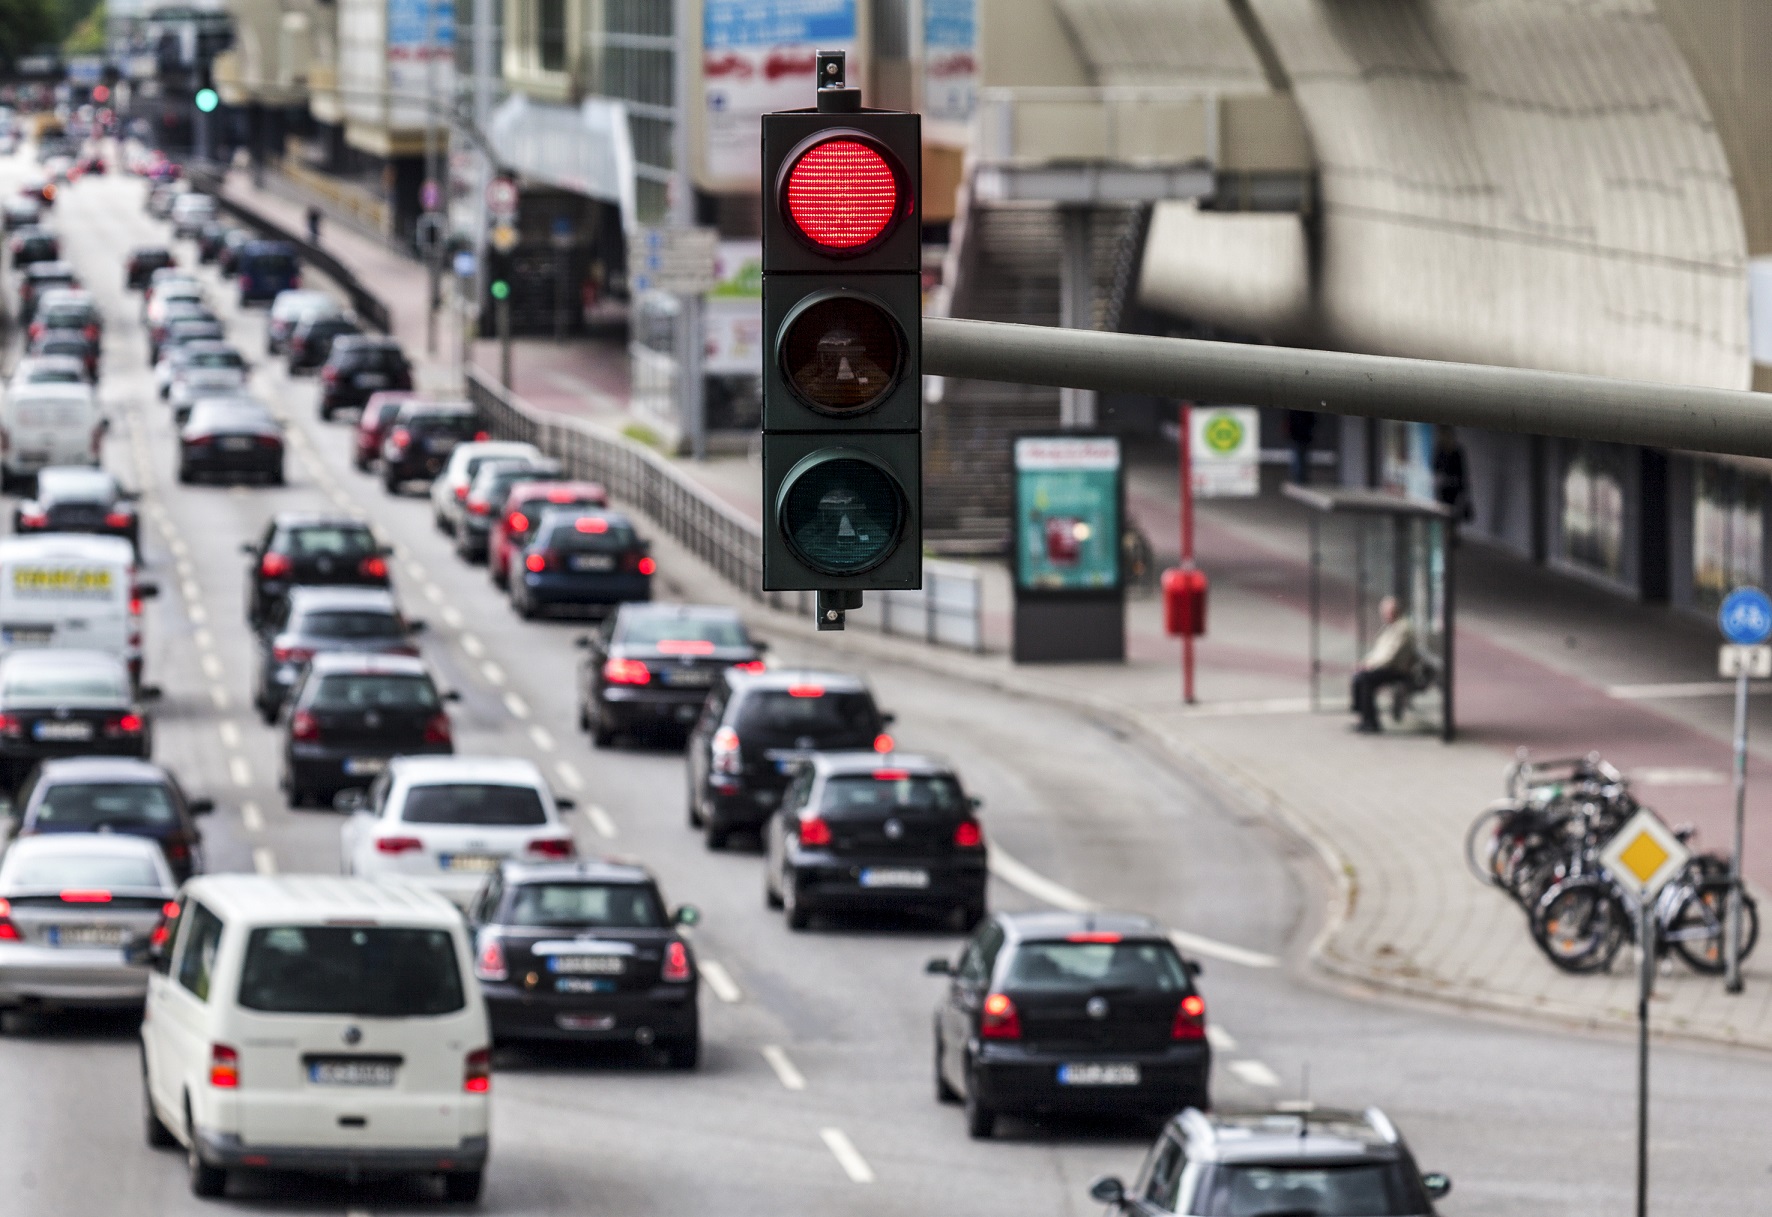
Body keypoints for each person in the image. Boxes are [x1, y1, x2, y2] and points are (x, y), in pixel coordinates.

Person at [1350, 595, 1418, 733]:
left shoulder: (1403, 629)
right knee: (1359, 677)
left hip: (1396, 669)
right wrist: (1366, 663)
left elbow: (1391, 656)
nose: (1384, 615)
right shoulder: (1392, 627)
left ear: (1394, 611)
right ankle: (1364, 717)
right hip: (1386, 667)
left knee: (1365, 679)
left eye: (1386, 611)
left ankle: (1370, 721)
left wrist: (1370, 666)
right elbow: (1378, 652)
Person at [1432, 426, 1471, 521]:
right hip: (1444, 491)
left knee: (1453, 517)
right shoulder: (1440, 451)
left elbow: (1462, 474)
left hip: (1455, 492)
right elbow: (1435, 468)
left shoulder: (1456, 453)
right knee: (1443, 516)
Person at [1285, 410, 1318, 484]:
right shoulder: (1301, 412)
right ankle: (1299, 478)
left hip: (1300, 437)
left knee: (1299, 458)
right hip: (1300, 437)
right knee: (1299, 458)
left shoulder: (1298, 412)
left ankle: (1299, 478)